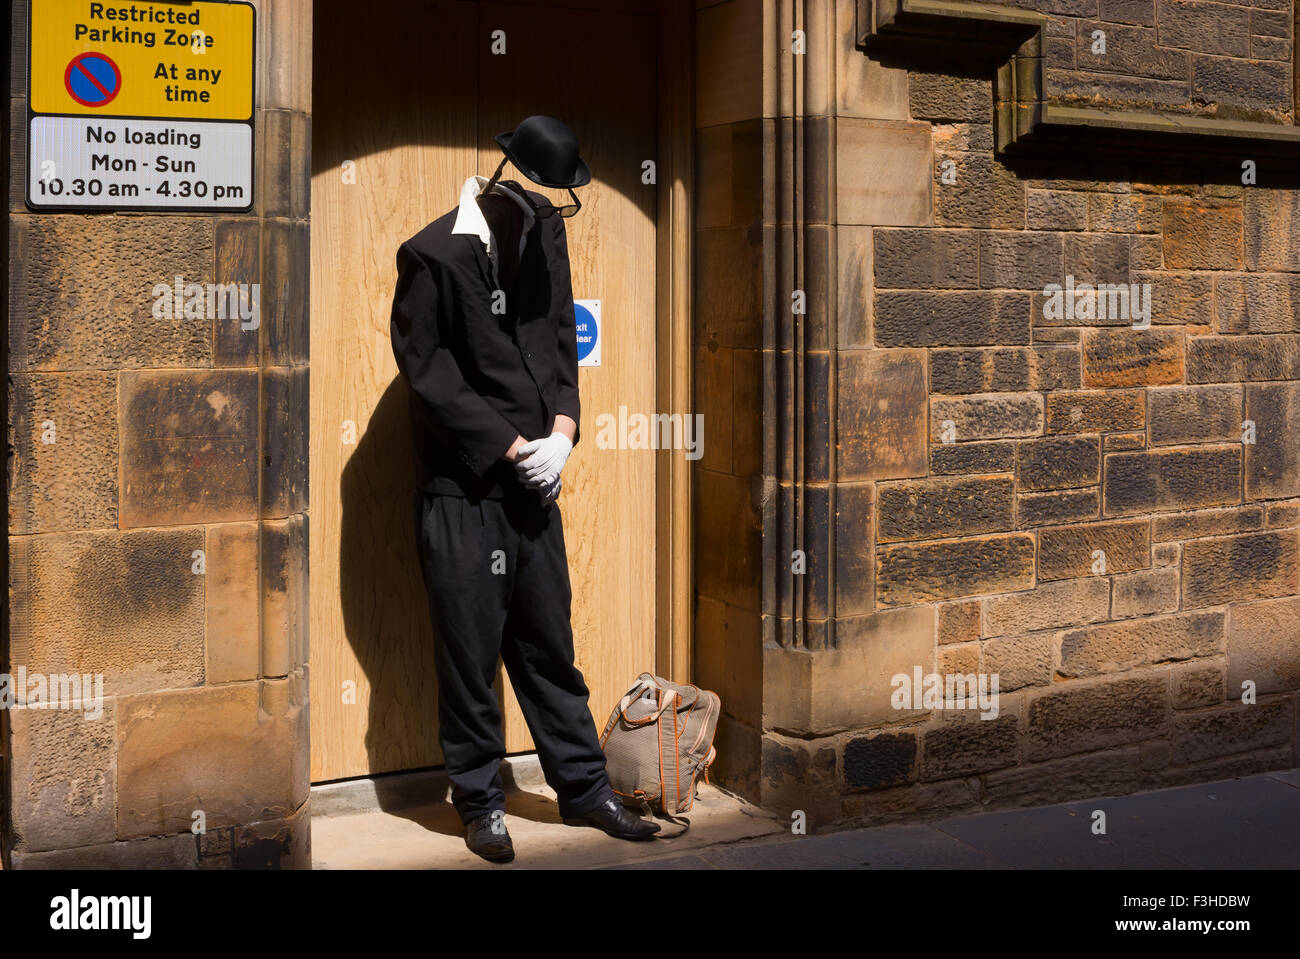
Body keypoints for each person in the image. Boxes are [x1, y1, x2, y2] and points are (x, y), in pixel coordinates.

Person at [389, 115, 660, 862]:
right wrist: (509, 445)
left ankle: (584, 788)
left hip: (535, 489)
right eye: (552, 192)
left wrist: (564, 432)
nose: (557, 206)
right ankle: (479, 801)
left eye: (562, 198)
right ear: (509, 175)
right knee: (470, 658)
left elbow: (557, 341)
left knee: (549, 645)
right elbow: (429, 373)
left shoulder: (544, 230)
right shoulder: (431, 253)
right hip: (465, 492)